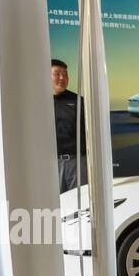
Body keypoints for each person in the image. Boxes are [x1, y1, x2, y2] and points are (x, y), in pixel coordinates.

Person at [52, 59, 84, 193]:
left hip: (75, 162)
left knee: (80, 203)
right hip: (50, 163)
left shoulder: (78, 101)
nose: (62, 78)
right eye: (57, 73)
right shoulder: (35, 99)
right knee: (52, 203)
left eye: (65, 74)